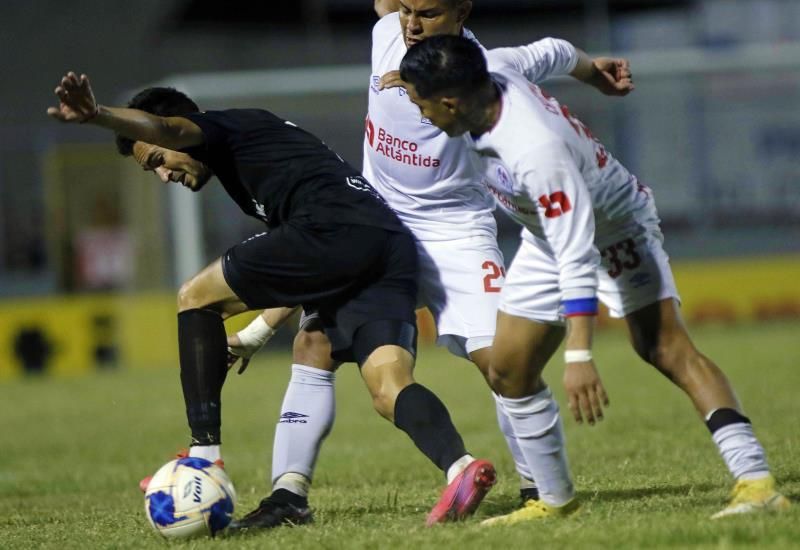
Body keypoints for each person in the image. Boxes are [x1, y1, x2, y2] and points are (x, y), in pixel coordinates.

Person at [225, 0, 635, 530]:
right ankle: (287, 496)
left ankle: (538, 487)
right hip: (377, 216)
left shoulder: (485, 74)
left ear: (462, 12)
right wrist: (262, 324)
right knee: (316, 345)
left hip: (456, 232)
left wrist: (590, 70)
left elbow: (551, 51)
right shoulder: (386, 32)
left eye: (429, 13)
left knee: (501, 362)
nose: (412, 24)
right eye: (407, 10)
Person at [46, 71, 498, 527]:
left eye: (158, 161)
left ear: (181, 129)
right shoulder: (259, 148)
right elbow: (308, 270)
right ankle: (457, 468)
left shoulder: (220, 127)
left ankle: (204, 456)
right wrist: (257, 332)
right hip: (383, 241)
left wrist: (98, 115)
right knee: (369, 375)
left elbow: (165, 129)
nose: (164, 174)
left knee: (195, 298)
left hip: (334, 230)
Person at [398, 33, 792, 523]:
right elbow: (554, 50)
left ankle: (756, 482)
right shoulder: (492, 66)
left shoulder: (535, 151)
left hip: (613, 228)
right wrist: (593, 72)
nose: (421, 115)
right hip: (548, 235)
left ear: (450, 102)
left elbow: (578, 256)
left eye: (422, 103)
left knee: (664, 348)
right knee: (507, 370)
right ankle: (555, 500)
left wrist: (580, 355)